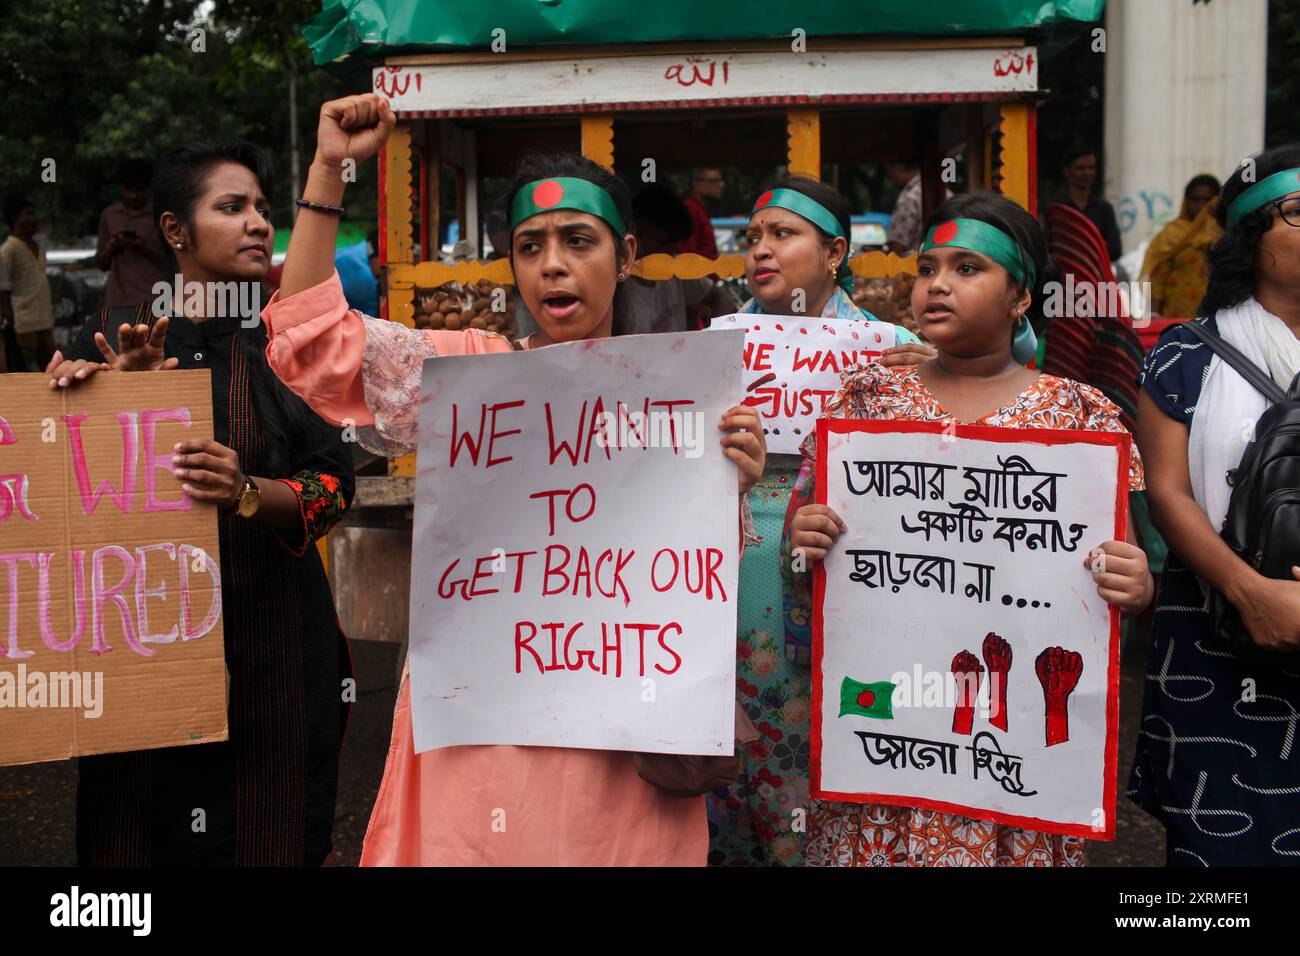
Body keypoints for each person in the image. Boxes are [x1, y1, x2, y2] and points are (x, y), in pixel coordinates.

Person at [261, 94, 767, 866]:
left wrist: (732, 476)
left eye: (577, 240)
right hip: (481, 738)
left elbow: (692, 591)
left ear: (625, 256)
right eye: (530, 246)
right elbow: (306, 339)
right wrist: (330, 167)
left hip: (620, 751)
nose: (553, 264)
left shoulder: (682, 399)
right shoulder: (467, 373)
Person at [788, 191, 1151, 867]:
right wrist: (807, 535)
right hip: (884, 749)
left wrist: (1139, 585)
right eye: (928, 268)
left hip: (1014, 771)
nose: (938, 285)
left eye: (967, 269)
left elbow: (1137, 565)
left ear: (1020, 296)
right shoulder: (868, 400)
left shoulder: (1082, 419)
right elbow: (805, 542)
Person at [48, 139, 356, 866]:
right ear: (176, 232)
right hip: (144, 659)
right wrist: (111, 407)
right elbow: (64, 513)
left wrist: (250, 493)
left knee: (269, 834)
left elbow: (334, 486)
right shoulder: (111, 345)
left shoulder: (292, 348)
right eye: (232, 206)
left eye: (262, 210)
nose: (257, 224)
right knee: (137, 837)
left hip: (275, 657)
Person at [706, 175, 932, 866]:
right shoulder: (714, 345)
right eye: (752, 238)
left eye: (782, 234)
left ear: (835, 251)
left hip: (839, 572)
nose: (760, 252)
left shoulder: (891, 349)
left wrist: (939, 382)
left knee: (828, 750)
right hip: (728, 568)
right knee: (727, 753)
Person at [1129, 144, 1300, 866]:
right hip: (1218, 636)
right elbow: (1168, 494)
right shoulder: (1187, 355)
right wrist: (1250, 590)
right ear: (1252, 238)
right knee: (1227, 840)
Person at [616, 183, 730, 334]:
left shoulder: (677, 271)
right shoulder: (617, 285)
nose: (670, 253)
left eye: (674, 246)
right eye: (663, 243)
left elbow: (721, 300)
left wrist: (713, 337)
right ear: (637, 233)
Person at [1139, 174, 1221, 318]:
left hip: (1215, 317)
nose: (1201, 206)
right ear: (1186, 201)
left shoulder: (1225, 235)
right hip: (1176, 316)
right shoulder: (1172, 234)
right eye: (1195, 200)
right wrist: (1154, 314)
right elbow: (1158, 279)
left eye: (1207, 200)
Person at [96, 159, 169, 310]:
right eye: (128, 190)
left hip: (154, 299)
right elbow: (101, 264)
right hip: (118, 301)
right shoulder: (110, 215)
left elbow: (174, 261)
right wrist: (112, 247)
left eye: (139, 189)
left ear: (149, 188)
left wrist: (142, 247)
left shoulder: (162, 215)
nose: (133, 195)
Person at [1, 196, 56, 372]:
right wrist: (7, 312)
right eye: (28, 214)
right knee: (28, 366)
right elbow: (4, 285)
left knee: (51, 362)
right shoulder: (9, 249)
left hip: (43, 317)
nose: (33, 219)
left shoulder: (38, 245)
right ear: (14, 219)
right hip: (23, 319)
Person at [1055, 147, 1123, 262]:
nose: (1087, 173)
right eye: (1080, 168)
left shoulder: (1104, 208)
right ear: (1066, 172)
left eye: (1091, 168)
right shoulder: (1057, 208)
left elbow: (1115, 250)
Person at [676, 167, 722, 260]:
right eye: (714, 181)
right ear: (696, 184)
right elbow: (687, 255)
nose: (721, 185)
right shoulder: (690, 209)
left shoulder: (701, 209)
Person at [884, 160, 924, 254]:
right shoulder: (946, 192)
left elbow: (897, 245)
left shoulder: (909, 197)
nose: (891, 178)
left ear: (898, 167)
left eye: (890, 173)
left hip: (912, 265)